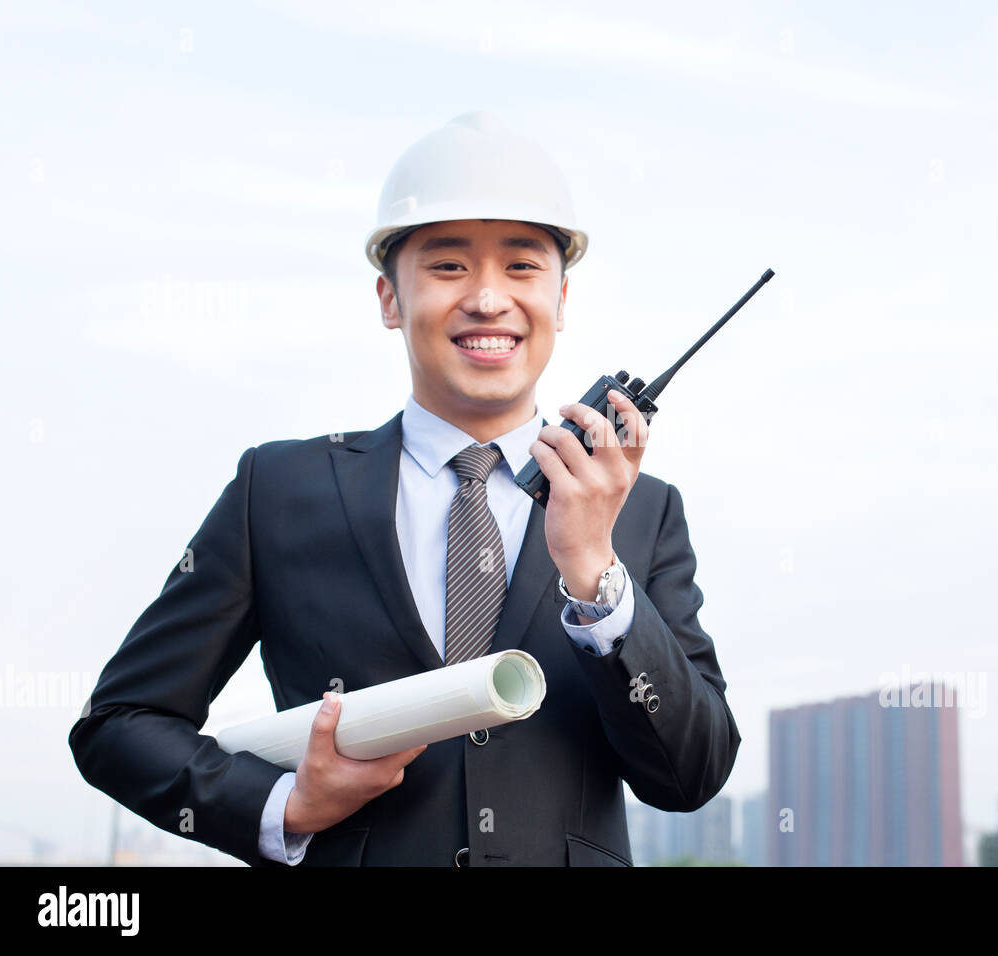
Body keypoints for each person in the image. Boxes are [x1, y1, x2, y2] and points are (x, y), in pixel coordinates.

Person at [69, 111, 740, 866]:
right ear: (389, 298)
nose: (489, 300)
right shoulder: (277, 490)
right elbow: (119, 723)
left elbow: (691, 775)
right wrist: (284, 806)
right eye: (449, 267)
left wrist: (594, 573)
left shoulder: (643, 513)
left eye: (522, 267)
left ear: (561, 300)